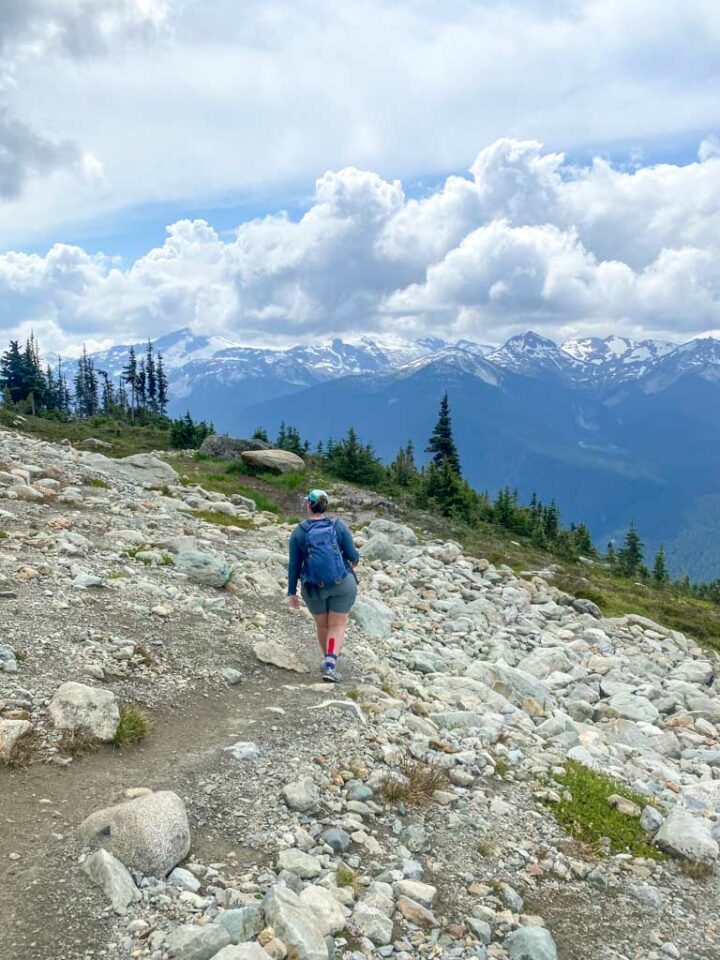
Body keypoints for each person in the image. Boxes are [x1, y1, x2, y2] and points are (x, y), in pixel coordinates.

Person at [287, 489, 360, 682]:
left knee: (322, 626)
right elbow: (353, 556)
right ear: (325, 506)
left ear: (309, 505)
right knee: (337, 624)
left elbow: (294, 565)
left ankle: (327, 660)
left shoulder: (299, 532)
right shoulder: (338, 526)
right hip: (341, 584)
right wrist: (351, 561)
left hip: (312, 587)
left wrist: (291, 592)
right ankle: (330, 663)